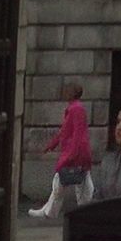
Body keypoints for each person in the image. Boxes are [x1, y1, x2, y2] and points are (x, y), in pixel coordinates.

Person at [29, 78, 93, 221]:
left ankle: (53, 211)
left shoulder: (76, 109)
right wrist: (52, 145)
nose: (64, 93)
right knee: (79, 182)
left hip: (75, 153)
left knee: (64, 180)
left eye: (67, 91)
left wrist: (72, 154)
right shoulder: (74, 108)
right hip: (77, 152)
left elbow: (77, 133)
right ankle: (54, 211)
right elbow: (65, 131)